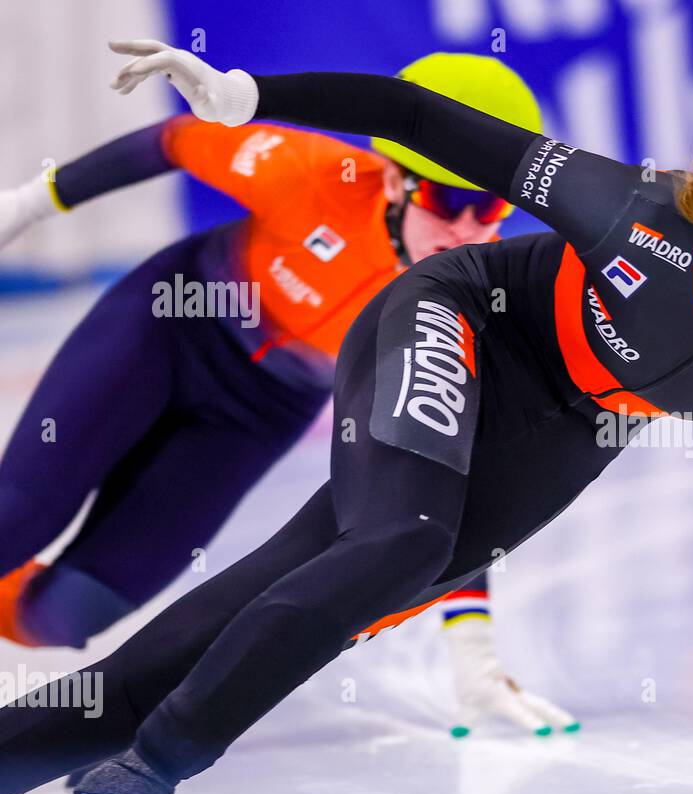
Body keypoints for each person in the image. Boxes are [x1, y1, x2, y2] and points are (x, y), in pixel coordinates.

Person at [10, 40, 693, 794]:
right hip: (460, 315)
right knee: (401, 545)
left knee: (286, 608)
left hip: (570, 428)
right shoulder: (636, 213)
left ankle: (66, 745)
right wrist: (250, 96)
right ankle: (138, 786)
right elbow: (421, 115)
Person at [0, 52, 574, 737]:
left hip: (256, 415)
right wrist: (26, 206)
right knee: (15, 523)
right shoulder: (311, 174)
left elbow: (439, 490)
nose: (471, 230)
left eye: (493, 207)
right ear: (393, 178)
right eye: (452, 201)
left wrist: (471, 647)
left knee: (68, 615)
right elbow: (172, 139)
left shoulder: (469, 296)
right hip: (167, 330)